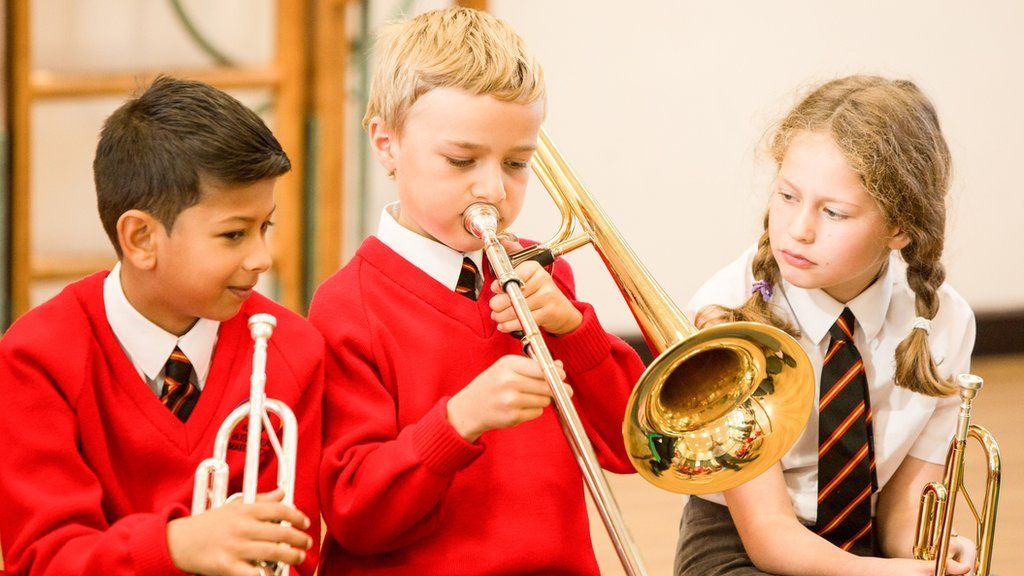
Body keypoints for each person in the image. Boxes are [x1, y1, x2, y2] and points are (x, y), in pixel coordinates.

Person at [308, 7, 645, 575]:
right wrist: (459, 420)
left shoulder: (542, 274)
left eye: (517, 163)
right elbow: (356, 517)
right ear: (386, 144)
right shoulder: (347, 307)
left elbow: (633, 447)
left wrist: (575, 329)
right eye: (461, 160)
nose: (492, 187)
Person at [0, 76, 322, 575]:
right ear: (141, 238)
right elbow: (44, 559)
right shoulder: (35, 358)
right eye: (234, 233)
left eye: (265, 227)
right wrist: (172, 546)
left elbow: (290, 555)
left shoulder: (293, 350)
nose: (263, 257)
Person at [673, 75, 979, 576]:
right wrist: (877, 574)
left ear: (900, 227)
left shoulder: (943, 321)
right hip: (743, 545)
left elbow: (903, 509)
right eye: (788, 196)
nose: (799, 229)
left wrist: (925, 553)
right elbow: (770, 536)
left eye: (833, 212)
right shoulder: (725, 310)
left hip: (866, 535)